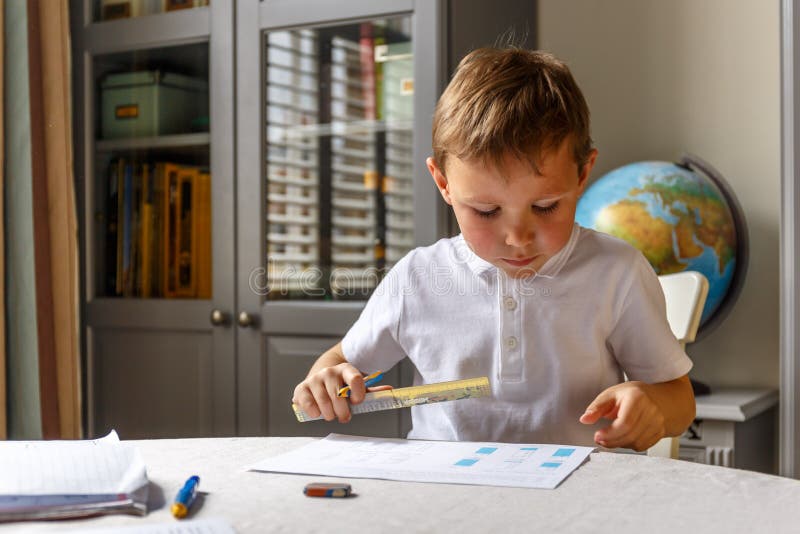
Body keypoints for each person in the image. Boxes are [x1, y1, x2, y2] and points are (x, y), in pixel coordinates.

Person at [292, 47, 695, 450]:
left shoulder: (616, 273)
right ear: (443, 183)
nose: (517, 237)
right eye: (486, 211)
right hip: (447, 493)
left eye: (545, 206)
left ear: (583, 173)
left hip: (574, 498)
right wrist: (326, 382)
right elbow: (337, 364)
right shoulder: (417, 278)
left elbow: (679, 400)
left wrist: (653, 406)